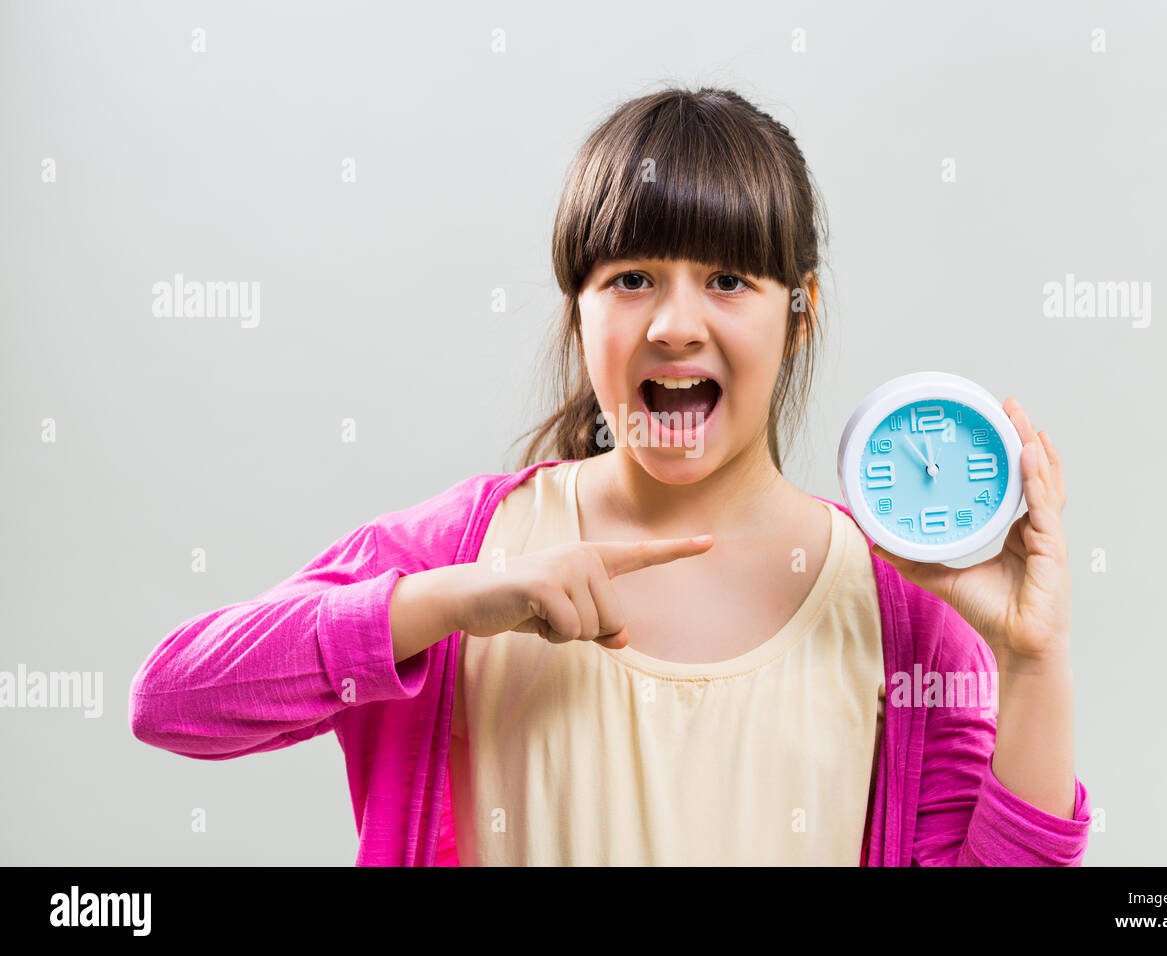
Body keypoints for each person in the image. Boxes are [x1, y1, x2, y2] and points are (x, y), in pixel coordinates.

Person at [129, 86, 1091, 866]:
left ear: (799, 315)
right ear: (577, 314)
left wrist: (1032, 663)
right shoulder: (462, 559)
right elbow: (172, 702)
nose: (675, 323)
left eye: (728, 280)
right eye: (631, 278)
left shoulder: (901, 609)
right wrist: (450, 604)